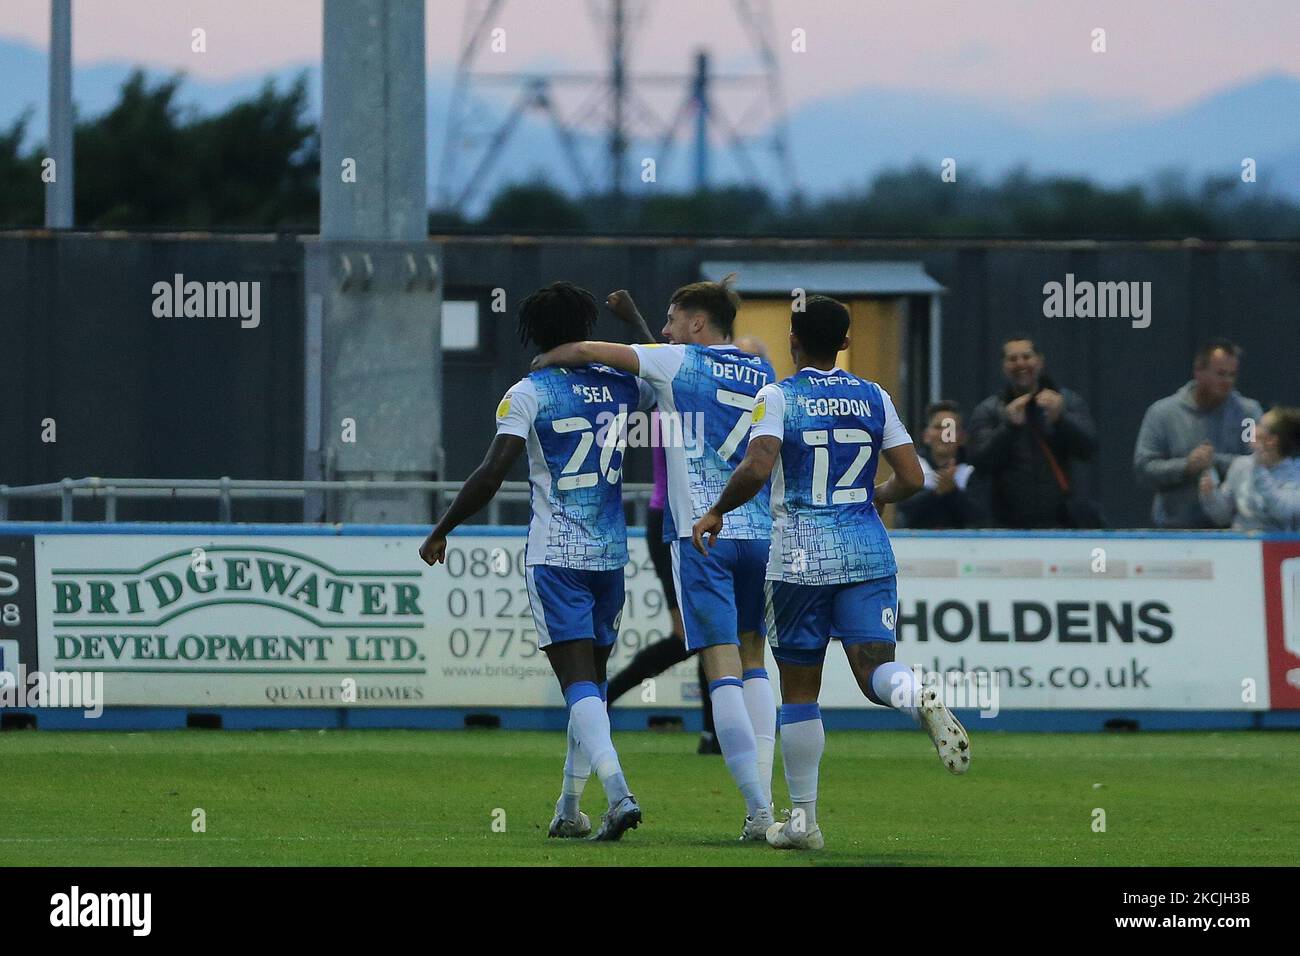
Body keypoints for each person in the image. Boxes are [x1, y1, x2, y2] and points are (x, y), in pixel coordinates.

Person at [691, 295, 970, 852]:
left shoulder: (779, 395)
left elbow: (758, 465)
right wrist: (875, 496)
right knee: (875, 675)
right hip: (867, 551)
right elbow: (914, 478)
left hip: (800, 556)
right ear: (845, 343)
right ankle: (918, 695)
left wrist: (718, 509)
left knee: (800, 691)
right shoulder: (874, 395)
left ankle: (804, 821)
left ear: (794, 341)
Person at [532, 276, 779, 840]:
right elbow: (664, 364)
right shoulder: (760, 371)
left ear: (696, 322)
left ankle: (759, 810)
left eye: (672, 319)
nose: (665, 329)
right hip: (760, 531)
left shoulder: (679, 362)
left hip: (703, 533)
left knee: (720, 668)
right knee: (754, 662)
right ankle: (769, 801)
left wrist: (549, 355)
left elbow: (592, 351)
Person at [418, 282, 655, 842]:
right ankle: (570, 807)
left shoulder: (528, 392)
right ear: (588, 331)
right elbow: (665, 374)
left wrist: (442, 528)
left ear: (535, 335)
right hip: (610, 554)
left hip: (556, 556)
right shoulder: (621, 387)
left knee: (578, 685)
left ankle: (619, 794)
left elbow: (491, 473)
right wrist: (637, 322)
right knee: (591, 685)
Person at [605, 410, 720, 755]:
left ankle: (712, 734)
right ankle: (606, 696)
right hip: (672, 528)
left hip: (696, 527)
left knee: (707, 631)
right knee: (691, 634)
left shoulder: (686, 408)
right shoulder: (670, 415)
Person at [967, 335, 1098, 528]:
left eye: (1026, 357)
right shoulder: (989, 410)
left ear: (1040, 361)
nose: (1020, 364)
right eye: (1012, 359)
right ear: (1003, 366)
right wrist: (1008, 427)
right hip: (1006, 525)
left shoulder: (1066, 402)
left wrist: (1061, 420)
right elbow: (979, 463)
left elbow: (1089, 449)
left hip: (1061, 523)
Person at [1134, 338, 1265, 528]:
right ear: (1198, 371)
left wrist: (1215, 461)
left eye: (1232, 374)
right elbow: (1144, 469)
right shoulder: (1163, 414)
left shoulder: (1247, 415)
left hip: (1233, 531)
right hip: (1174, 529)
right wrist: (1187, 466)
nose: (1227, 381)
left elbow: (1257, 464)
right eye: (1220, 374)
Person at [1201, 406, 1300, 531]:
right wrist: (1210, 495)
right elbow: (1222, 517)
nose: (1253, 429)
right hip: (1242, 546)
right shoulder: (1241, 465)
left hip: (1280, 547)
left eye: (1260, 425)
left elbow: (1282, 512)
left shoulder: (1296, 473)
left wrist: (1258, 468)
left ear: (1271, 440)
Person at [896, 400, 984, 529]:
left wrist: (953, 491)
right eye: (938, 427)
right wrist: (936, 492)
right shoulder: (913, 467)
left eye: (951, 428)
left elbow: (981, 516)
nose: (945, 434)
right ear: (926, 436)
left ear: (962, 437)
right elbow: (904, 509)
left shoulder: (972, 471)